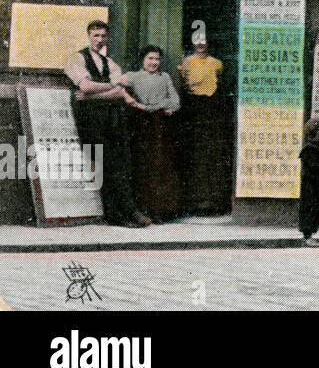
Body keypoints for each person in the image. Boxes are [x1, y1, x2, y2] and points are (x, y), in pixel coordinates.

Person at [64, 20, 150, 228]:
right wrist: (111, 88)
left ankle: (126, 212)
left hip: (110, 119)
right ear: (89, 36)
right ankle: (120, 214)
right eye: (96, 36)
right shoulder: (77, 58)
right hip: (89, 121)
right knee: (106, 164)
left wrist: (96, 94)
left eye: (103, 36)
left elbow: (119, 91)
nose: (100, 40)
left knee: (119, 163)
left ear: (107, 37)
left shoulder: (109, 62)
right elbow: (84, 85)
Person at [123, 45, 183, 223]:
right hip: (141, 125)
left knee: (161, 166)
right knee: (142, 165)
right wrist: (131, 100)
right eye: (150, 58)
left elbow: (175, 102)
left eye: (157, 59)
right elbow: (116, 85)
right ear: (142, 59)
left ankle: (160, 211)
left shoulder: (164, 77)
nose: (154, 62)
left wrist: (152, 107)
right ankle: (143, 209)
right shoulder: (133, 76)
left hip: (161, 126)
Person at [177, 36, 231, 215]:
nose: (200, 44)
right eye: (197, 40)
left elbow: (220, 83)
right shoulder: (186, 63)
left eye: (204, 40)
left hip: (211, 111)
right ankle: (193, 202)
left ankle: (212, 202)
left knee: (211, 155)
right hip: (193, 111)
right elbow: (183, 86)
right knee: (194, 155)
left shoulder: (217, 63)